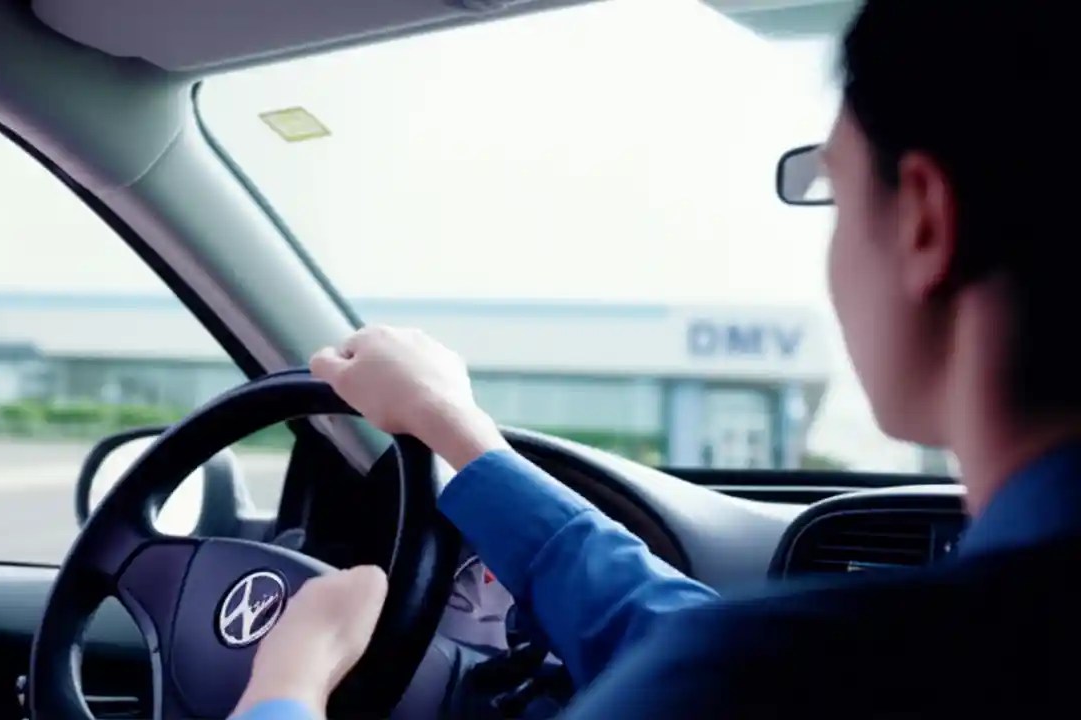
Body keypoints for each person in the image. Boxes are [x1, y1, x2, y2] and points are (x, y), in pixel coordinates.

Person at [234, 1, 1081, 717]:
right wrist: (457, 434)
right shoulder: (775, 668)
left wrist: (289, 680)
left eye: (834, 188)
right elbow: (678, 636)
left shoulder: (765, 676)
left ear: (924, 220)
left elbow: (718, 661)